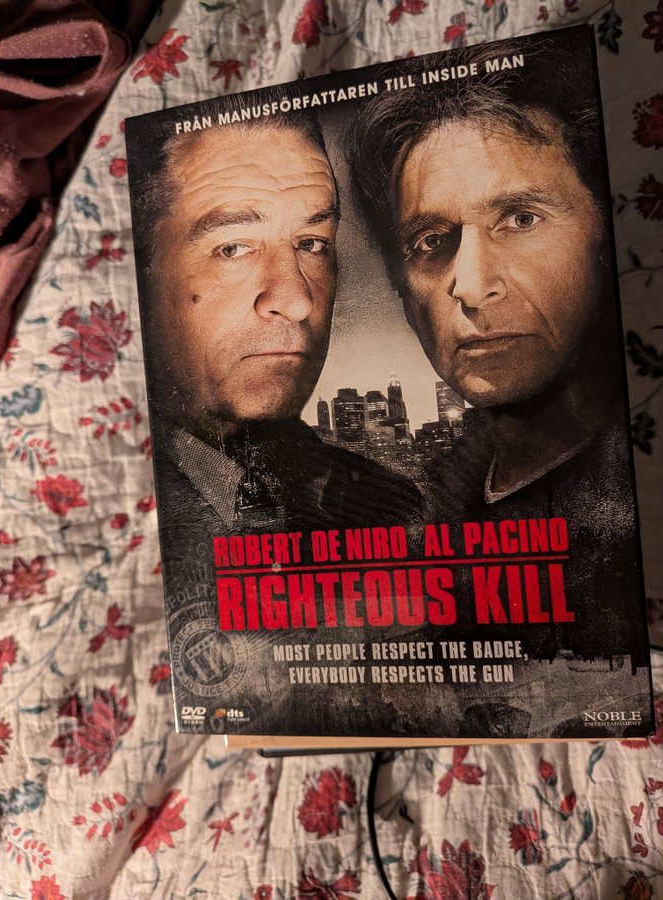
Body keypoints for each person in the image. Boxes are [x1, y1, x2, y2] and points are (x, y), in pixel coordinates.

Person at [348, 37, 645, 666]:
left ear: (606, 231)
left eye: (521, 219)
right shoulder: (424, 513)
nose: (471, 284)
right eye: (432, 240)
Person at [130, 110, 423, 539]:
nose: (297, 301)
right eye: (232, 248)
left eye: (312, 243)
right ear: (141, 271)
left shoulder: (393, 509)